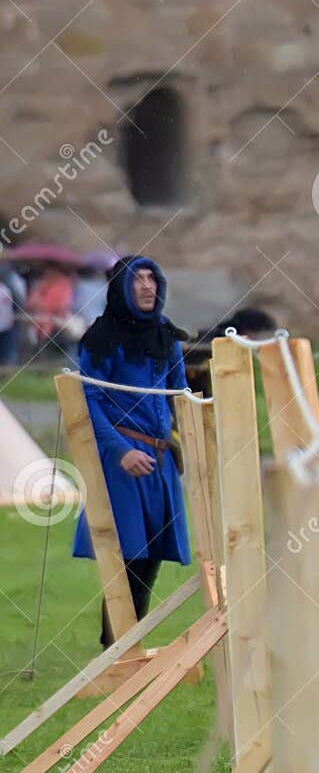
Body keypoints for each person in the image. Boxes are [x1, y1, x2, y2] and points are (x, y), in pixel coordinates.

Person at [72, 256, 192, 646]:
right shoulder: (100, 339)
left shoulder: (166, 336)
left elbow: (180, 394)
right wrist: (121, 450)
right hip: (122, 461)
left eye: (152, 278)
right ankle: (115, 646)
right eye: (137, 279)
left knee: (153, 553)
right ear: (121, 288)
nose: (147, 286)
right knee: (128, 555)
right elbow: (90, 400)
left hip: (159, 461)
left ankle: (128, 643)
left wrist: (181, 442)